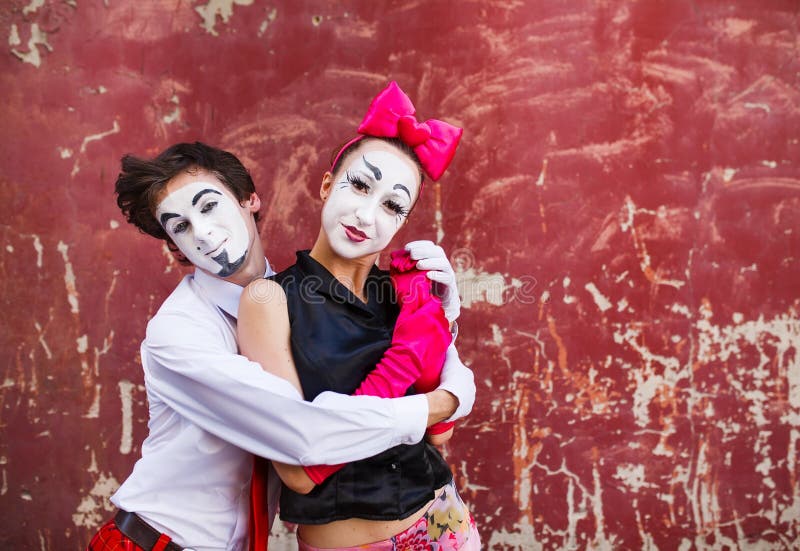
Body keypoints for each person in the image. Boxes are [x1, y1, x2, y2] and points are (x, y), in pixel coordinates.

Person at [86, 141, 476, 550]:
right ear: (172, 245)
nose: (203, 233)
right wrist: (448, 401)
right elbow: (302, 439)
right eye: (179, 226)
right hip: (156, 542)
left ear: (249, 200)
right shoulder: (179, 333)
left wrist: (440, 323)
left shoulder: (290, 296)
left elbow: (413, 400)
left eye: (208, 206)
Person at [239, 82, 481, 550]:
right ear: (327, 184)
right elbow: (297, 470)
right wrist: (442, 401)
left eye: (392, 205)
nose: (367, 215)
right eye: (360, 185)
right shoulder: (269, 299)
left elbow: (438, 440)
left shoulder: (404, 294)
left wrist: (442, 321)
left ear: (401, 223)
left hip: (444, 525)